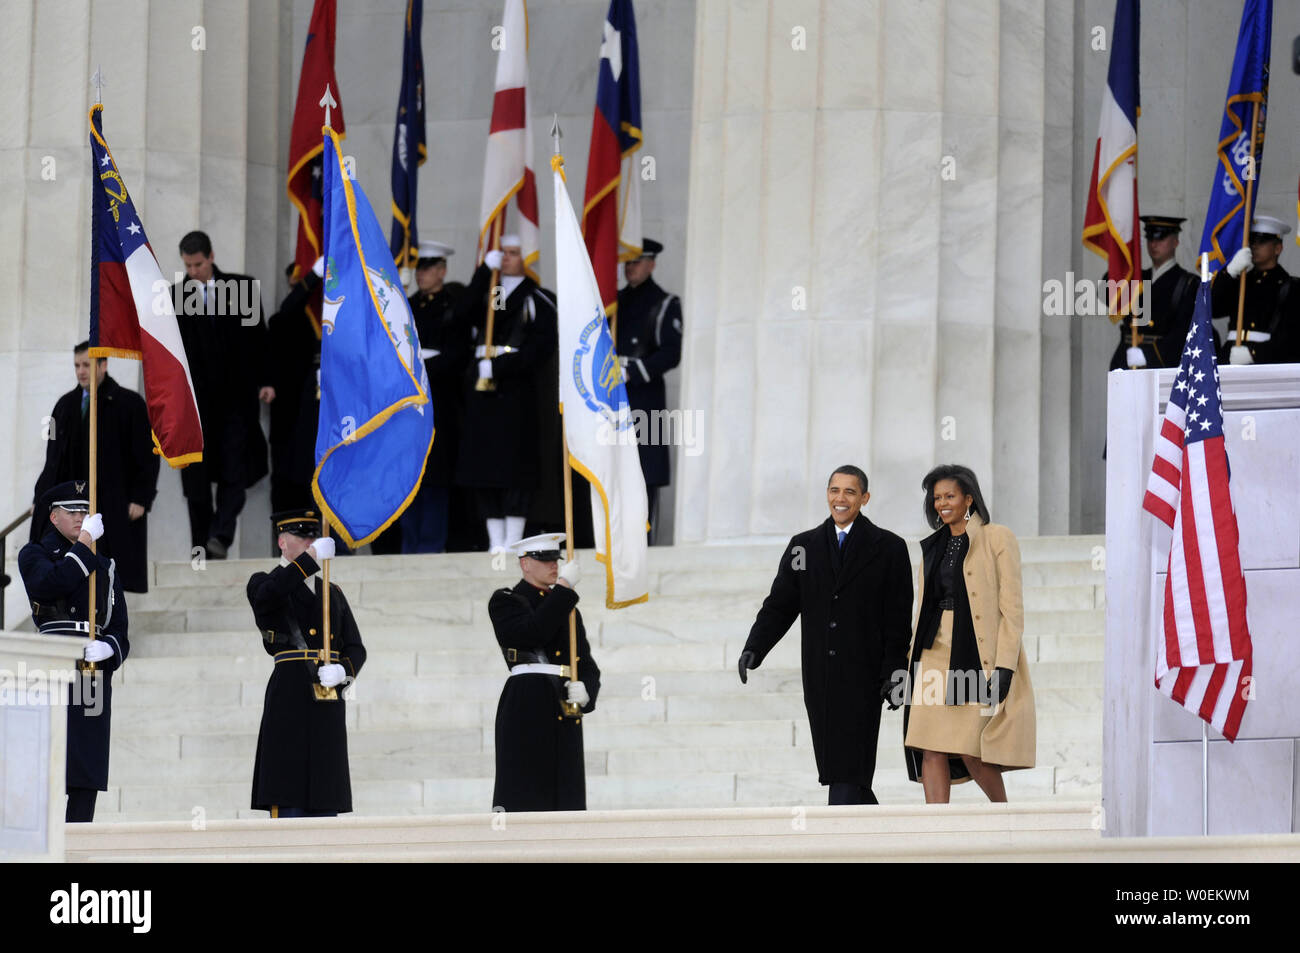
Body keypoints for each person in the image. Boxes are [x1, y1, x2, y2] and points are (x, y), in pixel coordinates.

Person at [737, 466, 913, 805]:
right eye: (834, 490)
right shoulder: (802, 547)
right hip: (820, 675)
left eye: (849, 491)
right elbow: (780, 605)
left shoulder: (889, 548)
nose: (840, 498)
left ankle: (839, 839)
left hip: (864, 675)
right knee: (843, 769)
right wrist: (755, 648)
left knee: (849, 766)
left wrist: (895, 670)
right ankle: (872, 837)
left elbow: (897, 619)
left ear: (865, 498)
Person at [903, 464, 1036, 803]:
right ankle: (938, 833)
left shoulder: (997, 537)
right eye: (936, 498)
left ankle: (1004, 819)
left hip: (974, 653)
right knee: (930, 747)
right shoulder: (933, 545)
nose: (941, 503)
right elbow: (922, 609)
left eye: (949, 496)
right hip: (933, 654)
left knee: (972, 749)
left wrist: (1005, 665)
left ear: (969, 499)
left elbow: (1013, 609)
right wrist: (906, 664)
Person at [18, 481, 129, 822]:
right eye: (73, 511)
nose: (81, 516)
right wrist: (84, 546)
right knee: (48, 759)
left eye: (85, 511)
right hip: (52, 663)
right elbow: (51, 585)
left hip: (89, 671)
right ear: (53, 517)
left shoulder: (105, 566)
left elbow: (121, 631)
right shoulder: (34, 554)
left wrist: (108, 648)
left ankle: (79, 841)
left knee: (86, 765)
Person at [247, 508, 365, 818]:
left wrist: (344, 671)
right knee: (288, 791)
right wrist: (310, 559)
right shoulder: (263, 581)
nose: (311, 541)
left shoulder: (331, 591)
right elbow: (269, 596)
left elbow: (355, 646)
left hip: (327, 697)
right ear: (282, 542)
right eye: (303, 537)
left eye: (313, 536)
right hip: (290, 692)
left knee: (325, 793)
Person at [173, 230, 274, 559]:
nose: (193, 272)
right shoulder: (178, 295)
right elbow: (172, 354)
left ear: (211, 257)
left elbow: (261, 340)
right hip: (197, 406)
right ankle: (202, 550)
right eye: (187, 266)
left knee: (236, 471)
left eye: (198, 264)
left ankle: (221, 535)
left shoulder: (242, 288)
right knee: (197, 483)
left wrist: (267, 380)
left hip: (236, 401)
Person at [453, 235, 557, 554]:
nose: (508, 258)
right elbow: (460, 315)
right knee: (483, 467)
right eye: (505, 254)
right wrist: (484, 272)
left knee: (514, 466)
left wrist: (499, 368)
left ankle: (514, 539)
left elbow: (540, 348)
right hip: (482, 393)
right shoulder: (491, 294)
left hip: (516, 393)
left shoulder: (537, 298)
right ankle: (495, 541)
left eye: (514, 253)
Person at [30, 342, 160, 592]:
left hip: (115, 504)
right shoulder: (64, 406)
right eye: (77, 365)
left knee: (111, 576)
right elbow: (53, 459)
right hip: (74, 506)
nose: (81, 371)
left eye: (86, 365)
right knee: (74, 571)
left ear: (103, 365)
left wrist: (141, 497)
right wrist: (41, 497)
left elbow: (146, 456)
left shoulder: (130, 404)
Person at [489, 533, 599, 812]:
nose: (554, 565)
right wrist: (563, 588)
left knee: (566, 790)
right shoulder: (506, 600)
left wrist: (587, 689)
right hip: (528, 700)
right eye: (544, 559)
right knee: (527, 787)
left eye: (555, 559)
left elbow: (585, 662)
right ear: (525, 564)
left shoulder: (568, 608)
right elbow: (531, 633)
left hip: (563, 702)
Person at [400, 239, 468, 553]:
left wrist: (421, 368)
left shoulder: (453, 307)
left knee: (436, 479)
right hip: (409, 407)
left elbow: (457, 356)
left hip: (440, 401)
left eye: (428, 268)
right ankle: (410, 544)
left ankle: (430, 546)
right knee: (409, 478)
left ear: (442, 271)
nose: (421, 274)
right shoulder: (407, 306)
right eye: (419, 268)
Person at [615, 238, 683, 541]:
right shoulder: (613, 301)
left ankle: (642, 540)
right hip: (610, 396)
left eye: (637, 261)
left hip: (643, 396)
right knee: (612, 469)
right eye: (627, 262)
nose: (631, 268)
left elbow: (671, 352)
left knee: (644, 473)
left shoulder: (665, 303)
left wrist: (633, 373)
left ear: (652, 263)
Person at [267, 261, 323, 517]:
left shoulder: (330, 323)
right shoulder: (284, 320)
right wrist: (311, 278)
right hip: (289, 421)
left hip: (317, 420)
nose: (297, 293)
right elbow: (288, 309)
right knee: (287, 494)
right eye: (294, 287)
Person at [1109, 216, 1201, 371]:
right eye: (1150, 238)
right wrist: (1123, 257)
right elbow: (1108, 294)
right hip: (1126, 359)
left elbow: (1182, 333)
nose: (1154, 244)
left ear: (1175, 242)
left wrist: (1149, 355)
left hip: (1161, 363)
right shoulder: (1135, 278)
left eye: (1161, 238)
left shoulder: (1188, 283)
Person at [1211, 214, 1299, 366]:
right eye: (1251, 241)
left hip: (1265, 362)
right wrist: (1229, 273)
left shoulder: (1291, 286)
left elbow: (1293, 338)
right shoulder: (1240, 280)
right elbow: (1211, 309)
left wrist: (1254, 354)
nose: (1254, 246)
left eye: (1262, 241)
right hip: (1230, 356)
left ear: (1277, 248)